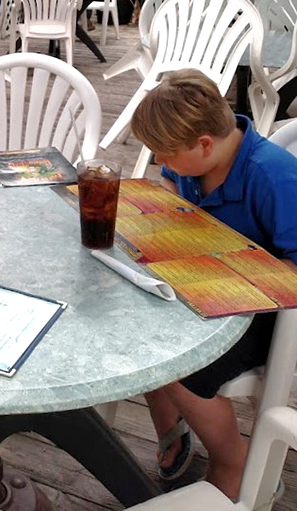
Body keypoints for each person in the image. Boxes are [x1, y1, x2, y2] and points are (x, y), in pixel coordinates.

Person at [130, 69, 297, 499]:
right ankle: (172, 428)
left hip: (272, 315)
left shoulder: (272, 175)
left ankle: (232, 462)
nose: (163, 165)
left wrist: (229, 278)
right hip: (204, 288)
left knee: (176, 361)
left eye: (166, 156)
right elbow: (174, 188)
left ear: (204, 144)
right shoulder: (199, 161)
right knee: (131, 329)